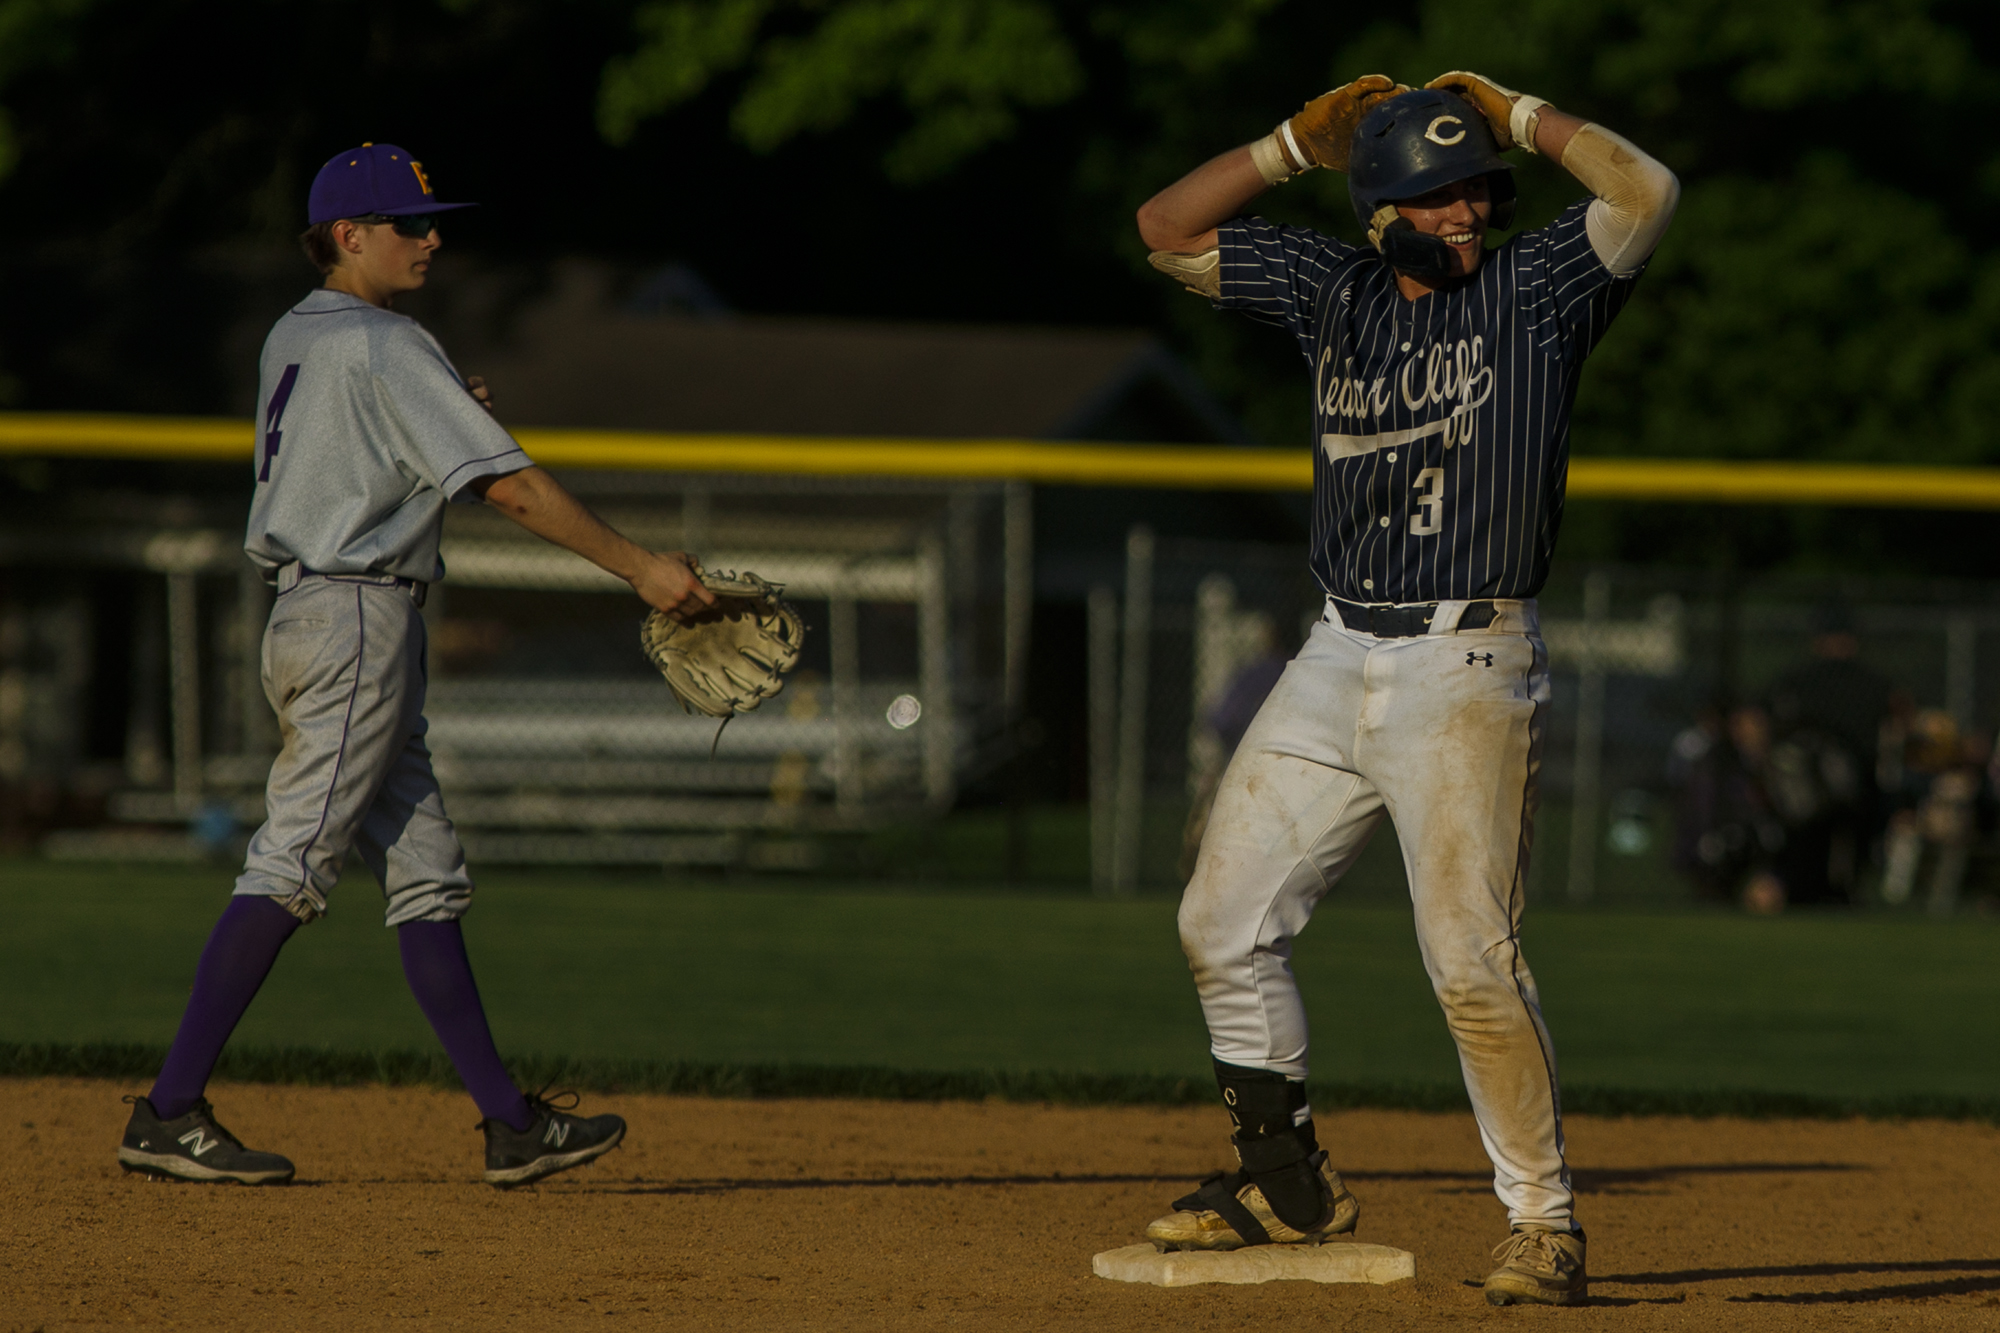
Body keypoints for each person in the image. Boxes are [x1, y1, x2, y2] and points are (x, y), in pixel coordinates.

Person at [1133, 72, 1677, 1305]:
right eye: (1434, 199)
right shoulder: (1335, 294)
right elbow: (1162, 228)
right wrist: (1287, 146)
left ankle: (1542, 1225)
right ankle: (1282, 1183)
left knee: (1467, 959)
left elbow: (1647, 191)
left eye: (1474, 190)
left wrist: (1522, 112)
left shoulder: (1538, 293)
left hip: (1464, 662)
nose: (1465, 214)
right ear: (1377, 211)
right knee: (1218, 922)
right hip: (1331, 655)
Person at [116, 143, 715, 1187]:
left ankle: (510, 1124)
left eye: (431, 220)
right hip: (354, 620)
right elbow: (514, 490)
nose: (432, 237)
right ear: (350, 235)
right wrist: (641, 571)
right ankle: (168, 1109)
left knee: (426, 870)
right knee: (294, 862)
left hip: (320, 610)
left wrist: (435, 408)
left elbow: (362, 455)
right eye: (409, 223)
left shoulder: (298, 333)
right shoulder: (387, 343)